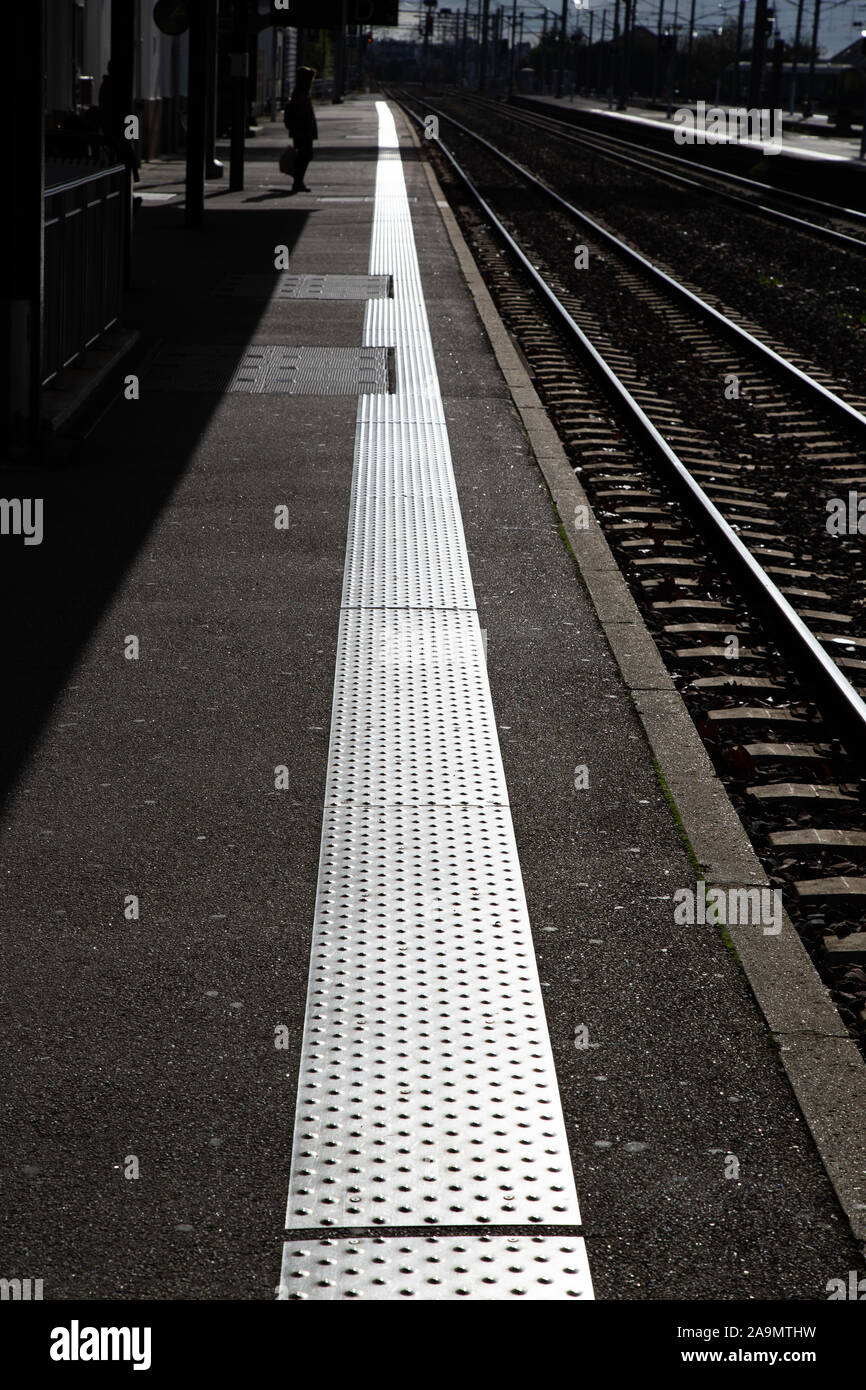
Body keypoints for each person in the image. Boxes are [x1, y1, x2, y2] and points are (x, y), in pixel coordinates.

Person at [284, 66, 318, 194]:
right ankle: (298, 182)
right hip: (303, 131)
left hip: (300, 130)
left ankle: (298, 181)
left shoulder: (299, 92)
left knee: (304, 155)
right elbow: (302, 114)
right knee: (305, 155)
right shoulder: (301, 94)